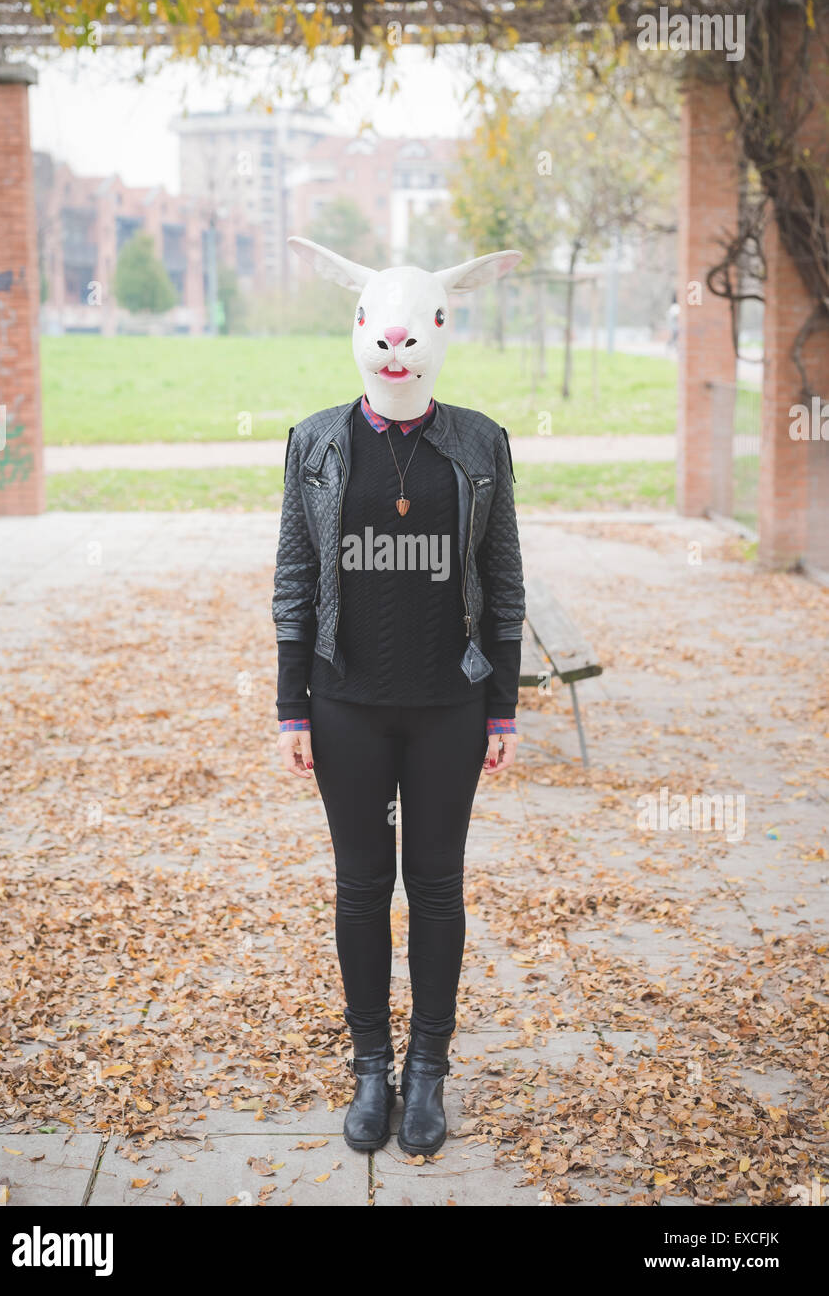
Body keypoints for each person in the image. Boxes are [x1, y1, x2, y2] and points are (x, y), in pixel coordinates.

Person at [272, 236, 526, 1156]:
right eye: (380, 328)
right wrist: (290, 706)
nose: (394, 346)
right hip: (345, 705)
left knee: (437, 889)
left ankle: (427, 1073)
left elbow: (503, 585)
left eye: (417, 328)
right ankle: (369, 1071)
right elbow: (294, 578)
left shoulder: (480, 443)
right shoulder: (314, 442)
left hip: (448, 710)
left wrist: (502, 707)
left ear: (439, 333)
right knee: (358, 889)